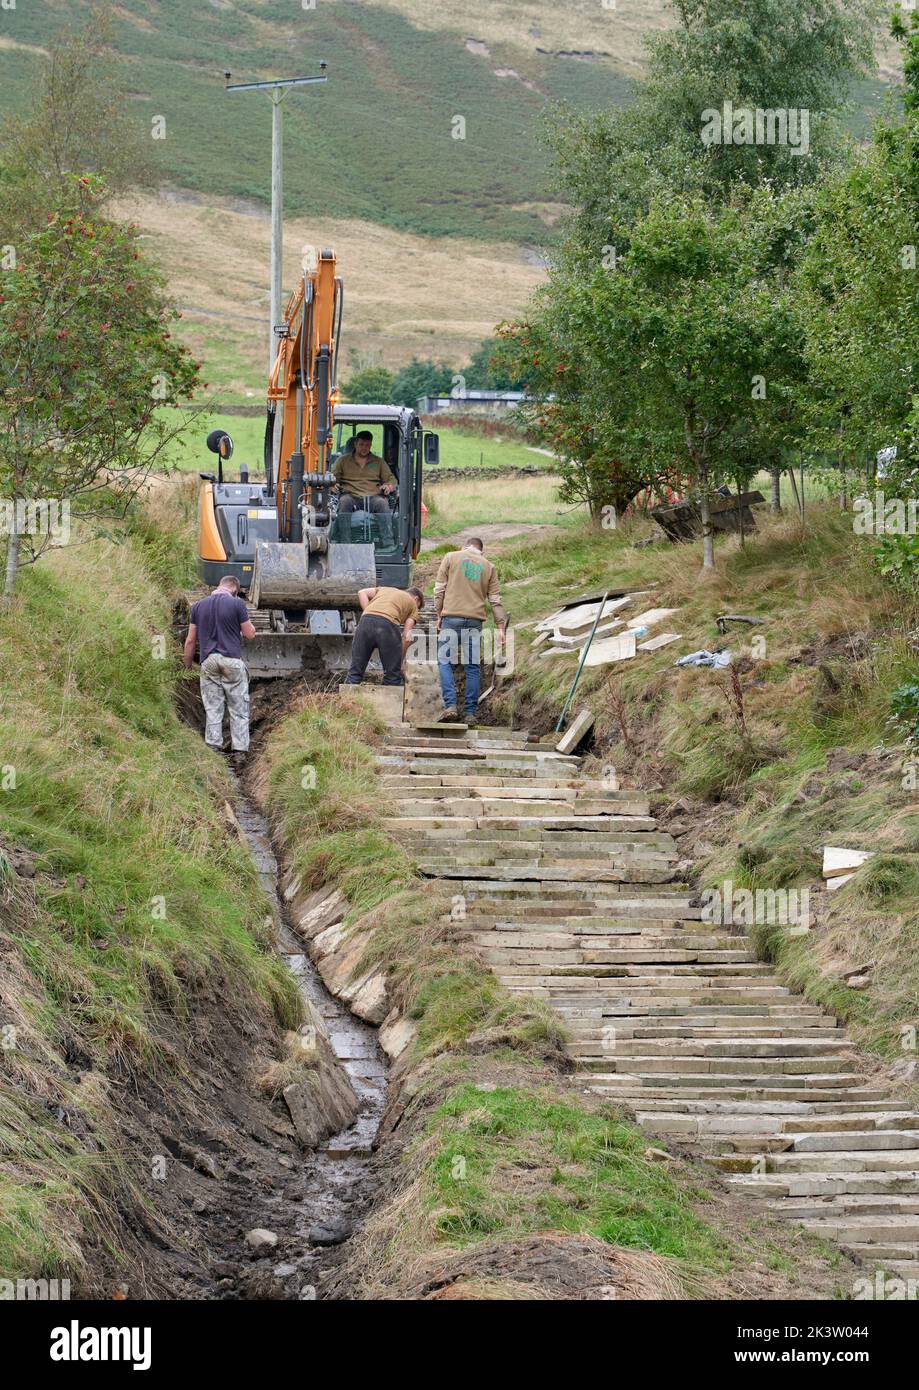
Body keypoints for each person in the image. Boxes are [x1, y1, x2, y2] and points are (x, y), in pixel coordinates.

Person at [183, 576, 257, 772]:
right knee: (238, 709)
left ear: (219, 586)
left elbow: (190, 641)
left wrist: (188, 667)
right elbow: (249, 634)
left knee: (213, 708)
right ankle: (239, 754)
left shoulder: (198, 607)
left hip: (208, 662)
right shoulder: (237, 604)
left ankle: (213, 751)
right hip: (231, 660)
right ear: (234, 589)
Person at [434, 537, 506, 727]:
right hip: (474, 622)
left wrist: (438, 613)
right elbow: (496, 601)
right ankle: (470, 713)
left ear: (464, 546)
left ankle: (450, 707)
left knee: (444, 661)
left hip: (451, 619)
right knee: (472, 667)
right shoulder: (489, 567)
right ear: (481, 550)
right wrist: (500, 628)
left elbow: (439, 590)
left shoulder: (451, 557)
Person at [345, 585, 424, 687]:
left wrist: (369, 612)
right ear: (416, 599)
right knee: (392, 677)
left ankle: (347, 700)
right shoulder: (413, 605)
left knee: (355, 672)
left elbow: (362, 592)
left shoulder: (384, 589)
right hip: (388, 626)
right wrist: (399, 661)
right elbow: (406, 636)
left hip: (365, 623)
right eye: (418, 606)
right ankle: (389, 701)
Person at [332, 431, 396, 545]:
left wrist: (388, 486)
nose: (364, 448)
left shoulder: (378, 462)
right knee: (343, 501)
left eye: (367, 445)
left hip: (373, 497)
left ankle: (388, 543)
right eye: (361, 444)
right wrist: (333, 484)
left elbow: (391, 479)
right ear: (355, 444)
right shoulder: (342, 461)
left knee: (383, 503)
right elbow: (332, 478)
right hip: (351, 496)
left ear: (371, 445)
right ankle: (344, 542)